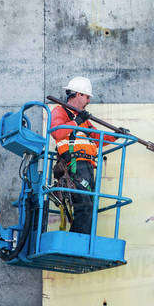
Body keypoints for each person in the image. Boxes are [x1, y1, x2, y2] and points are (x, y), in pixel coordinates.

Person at [50, 76, 127, 234]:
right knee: (85, 207)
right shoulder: (61, 111)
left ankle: (80, 243)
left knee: (89, 208)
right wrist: (76, 122)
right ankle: (76, 245)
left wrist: (115, 135)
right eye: (87, 96)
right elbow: (57, 132)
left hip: (87, 167)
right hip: (73, 165)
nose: (89, 101)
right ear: (78, 94)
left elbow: (96, 138)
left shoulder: (82, 119)